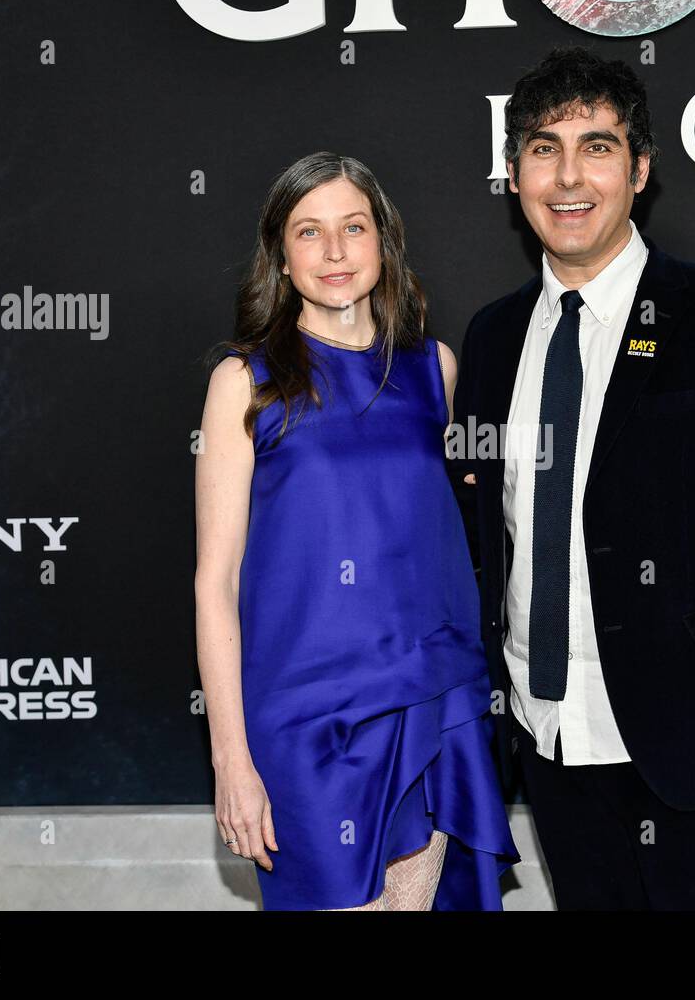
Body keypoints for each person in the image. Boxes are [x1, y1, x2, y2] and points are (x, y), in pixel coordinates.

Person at [446, 46, 695, 910]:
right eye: (543, 149)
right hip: (546, 739)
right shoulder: (493, 339)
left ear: (641, 169)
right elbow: (483, 535)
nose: (568, 177)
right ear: (514, 175)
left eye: (598, 146)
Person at [194, 151, 520, 910]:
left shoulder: (433, 369)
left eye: (354, 227)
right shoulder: (244, 381)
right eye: (309, 231)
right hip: (305, 717)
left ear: (384, 240)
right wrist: (230, 756)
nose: (335, 251)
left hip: (432, 695)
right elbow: (216, 581)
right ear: (281, 255)